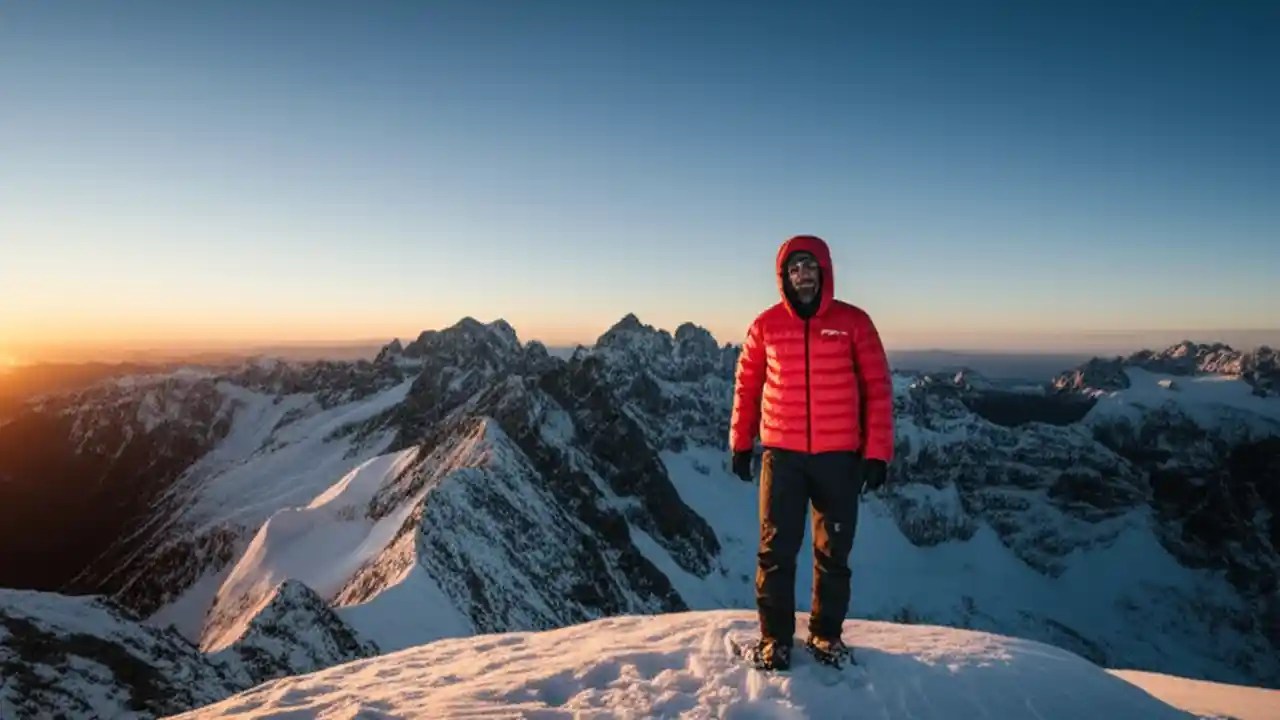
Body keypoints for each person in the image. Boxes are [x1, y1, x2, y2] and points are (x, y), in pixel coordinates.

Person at [728, 234, 894, 671]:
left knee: (833, 553)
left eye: (809, 266)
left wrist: (877, 453)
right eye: (794, 267)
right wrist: (741, 442)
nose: (803, 274)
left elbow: (877, 388)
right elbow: (748, 386)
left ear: (824, 270)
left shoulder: (854, 322)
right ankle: (775, 640)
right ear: (783, 276)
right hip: (781, 456)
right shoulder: (765, 326)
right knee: (776, 551)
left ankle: (825, 635)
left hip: (840, 457)